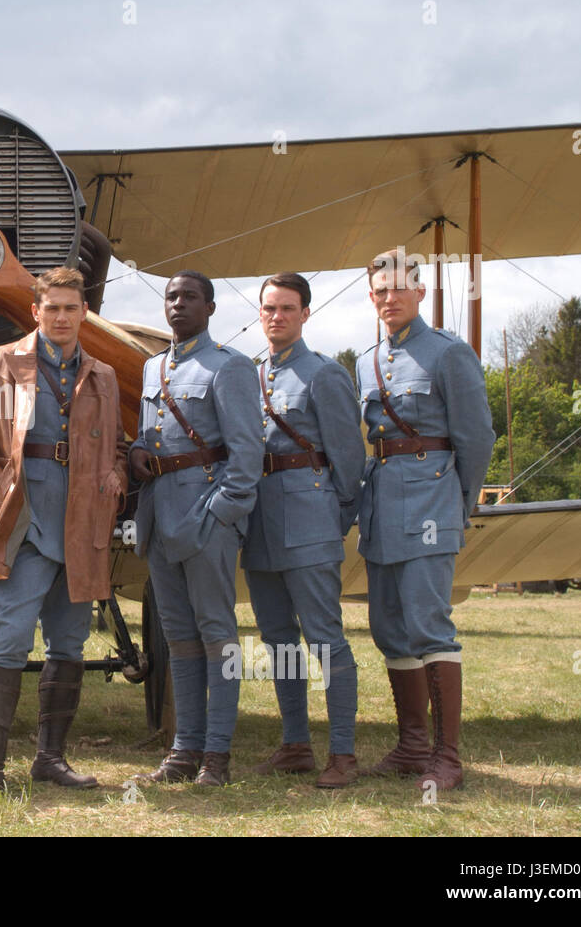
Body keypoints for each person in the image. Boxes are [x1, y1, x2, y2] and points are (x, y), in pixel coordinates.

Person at [0, 266, 127, 795]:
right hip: (20, 520)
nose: (62, 316)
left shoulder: (104, 375)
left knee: (68, 642)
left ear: (85, 312)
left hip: (82, 523)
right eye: (53, 308)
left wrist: (115, 470)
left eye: (72, 307)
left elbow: (115, 443)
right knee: (11, 641)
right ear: (35, 312)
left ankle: (51, 760)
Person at [356, 248, 494, 792]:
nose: (389, 298)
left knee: (429, 625)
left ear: (419, 293)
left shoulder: (448, 354)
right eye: (380, 291)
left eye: (398, 289)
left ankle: (446, 756)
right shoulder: (366, 361)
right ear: (371, 298)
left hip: (432, 501)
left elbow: (476, 437)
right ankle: (412, 747)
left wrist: (459, 503)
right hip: (383, 504)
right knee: (390, 627)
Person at [129, 270, 261, 787]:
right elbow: (148, 435)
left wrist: (223, 511)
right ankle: (184, 752)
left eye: (190, 297)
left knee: (217, 636)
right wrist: (139, 451)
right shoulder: (152, 367)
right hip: (160, 516)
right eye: (171, 296)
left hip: (206, 517)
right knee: (179, 638)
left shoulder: (230, 367)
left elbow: (247, 452)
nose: (178, 304)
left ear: (209, 308)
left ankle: (218, 758)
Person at [242, 272, 366, 788]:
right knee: (277, 639)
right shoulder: (249, 375)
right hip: (260, 523)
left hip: (310, 520)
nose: (277, 316)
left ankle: (343, 753)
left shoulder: (326, 375)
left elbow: (349, 461)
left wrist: (331, 524)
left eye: (287, 308)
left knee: (324, 639)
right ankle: (295, 744)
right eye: (269, 308)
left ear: (305, 314)